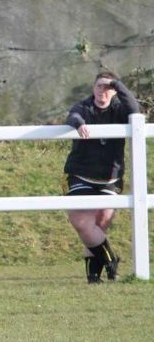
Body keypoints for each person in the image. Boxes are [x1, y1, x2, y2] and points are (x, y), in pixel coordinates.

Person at [63, 71, 140, 283]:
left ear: (115, 91)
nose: (102, 91)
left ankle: (93, 276)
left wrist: (117, 83)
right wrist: (79, 124)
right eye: (99, 86)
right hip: (81, 174)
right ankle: (111, 260)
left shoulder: (120, 109)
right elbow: (73, 115)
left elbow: (135, 109)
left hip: (110, 178)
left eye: (108, 87)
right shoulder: (84, 106)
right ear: (93, 88)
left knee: (100, 225)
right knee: (82, 222)